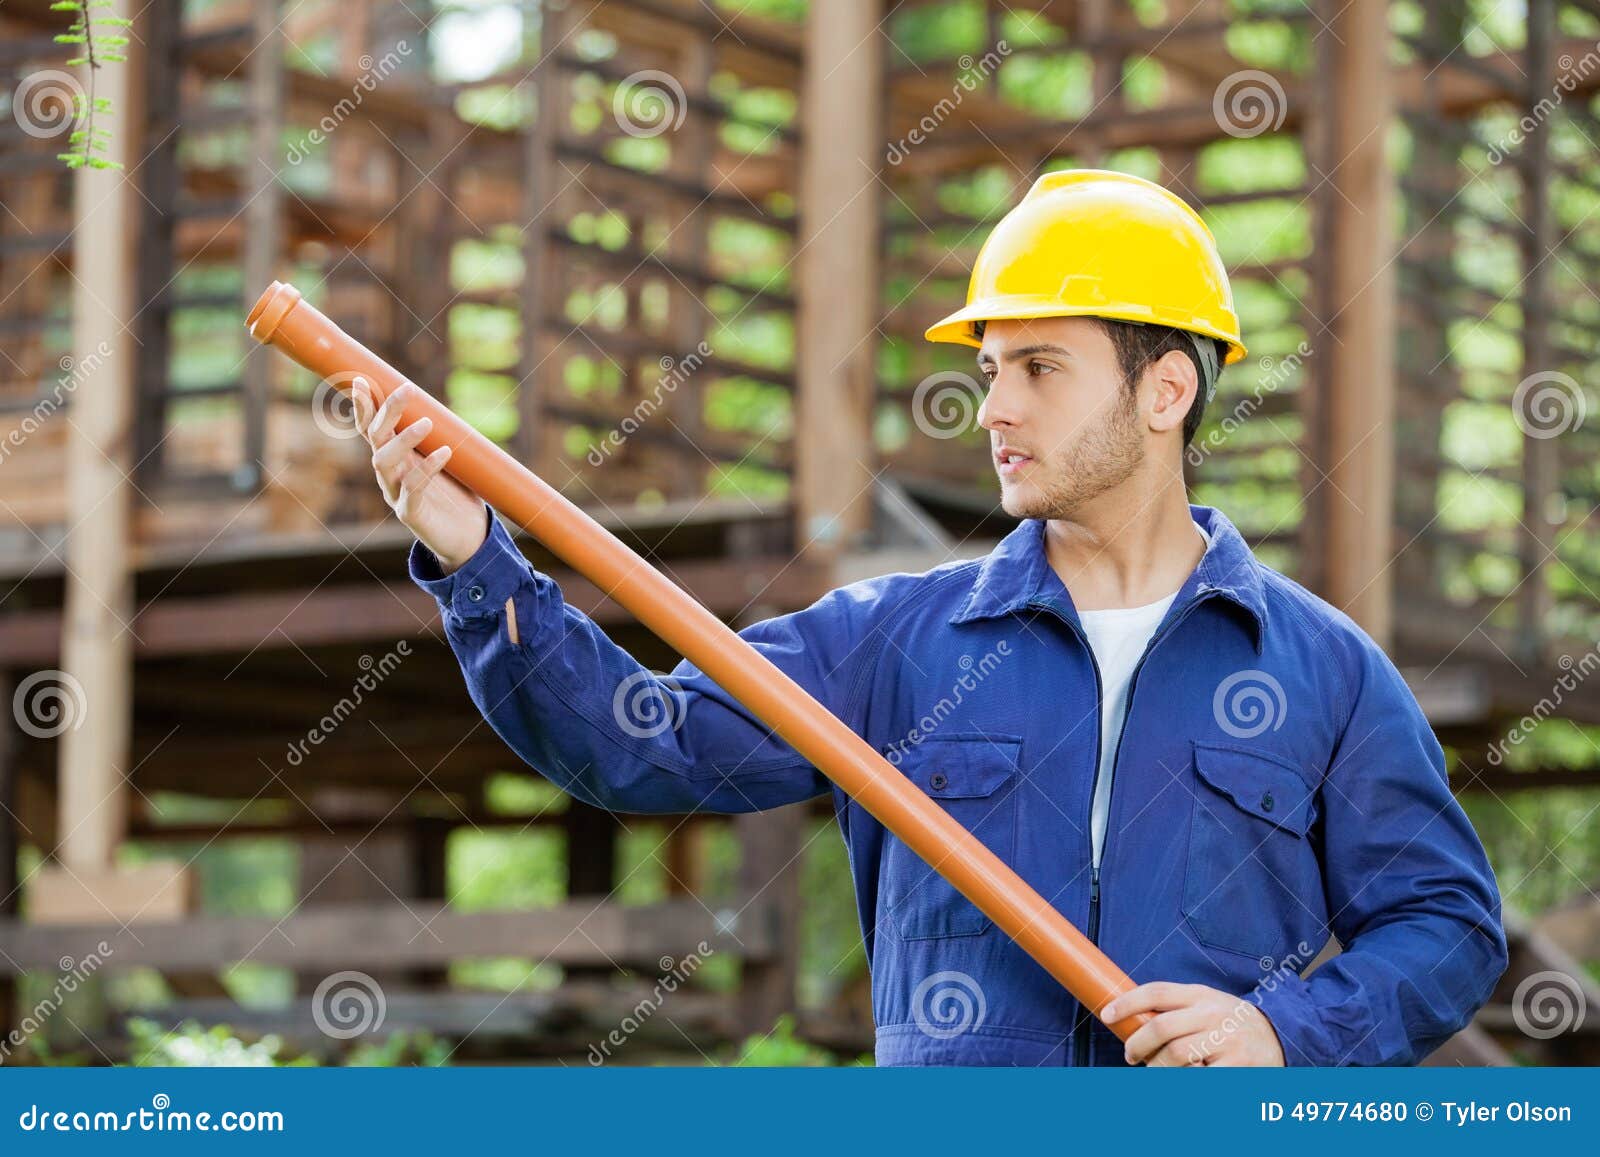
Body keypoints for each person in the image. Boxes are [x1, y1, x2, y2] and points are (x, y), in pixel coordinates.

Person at [351, 169, 1507, 1066]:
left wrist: (1285, 1033)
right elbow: (638, 741)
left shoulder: (1323, 670)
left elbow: (1444, 921)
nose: (992, 405)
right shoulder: (891, 640)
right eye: (992, 366)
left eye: (1040, 367)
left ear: (1167, 391)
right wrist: (472, 558)